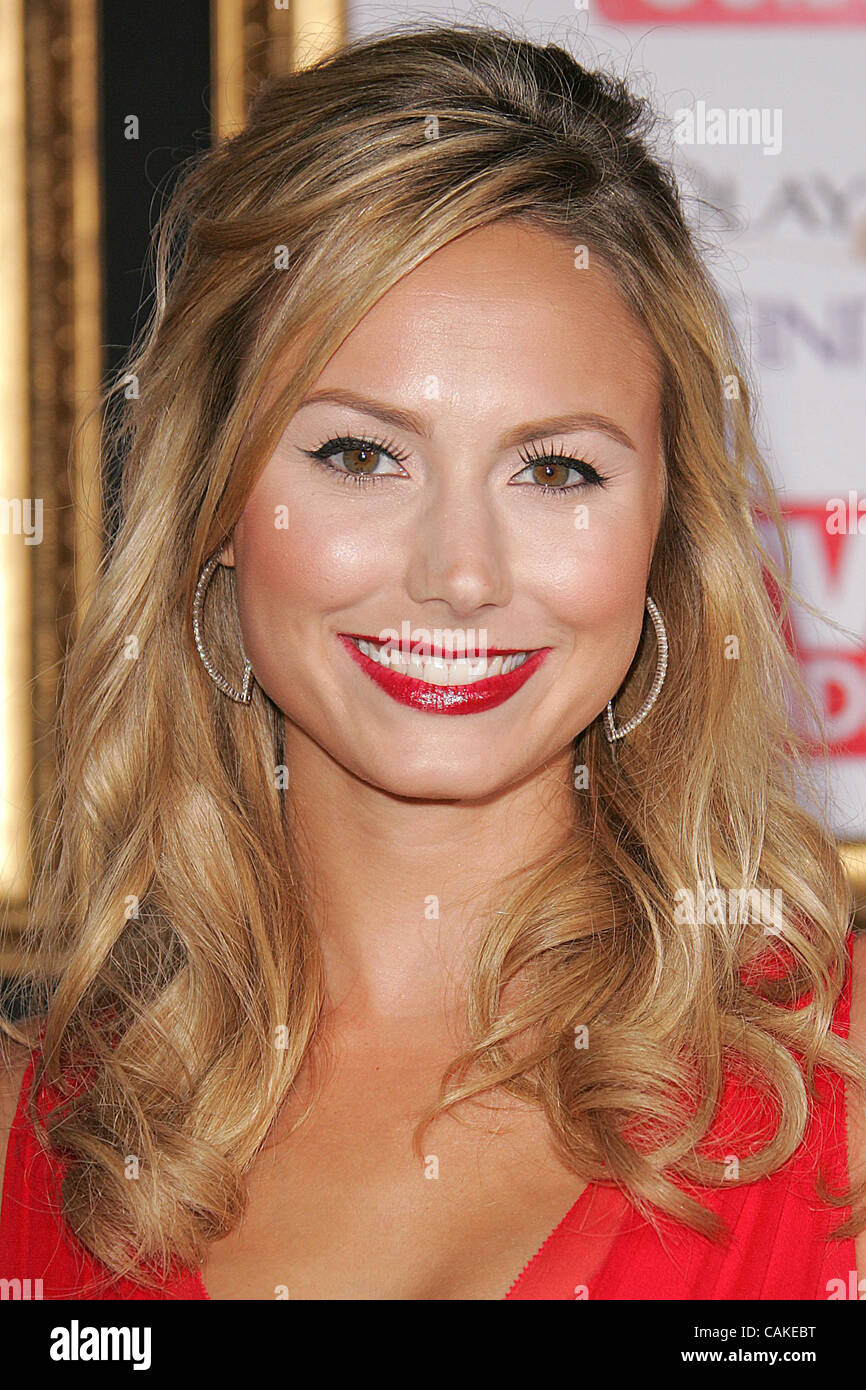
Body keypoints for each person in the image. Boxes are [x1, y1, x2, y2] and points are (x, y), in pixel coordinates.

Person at [1, 21, 865, 1301]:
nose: (458, 572)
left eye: (555, 467)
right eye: (359, 454)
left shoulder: (835, 1094)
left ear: (662, 540)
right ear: (216, 511)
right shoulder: (32, 1132)